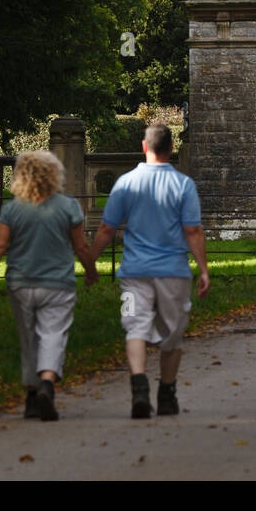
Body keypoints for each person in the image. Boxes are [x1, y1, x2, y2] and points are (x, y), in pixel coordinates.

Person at [87, 124, 209, 419]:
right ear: (170, 150)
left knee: (135, 327)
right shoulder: (183, 185)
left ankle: (139, 386)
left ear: (145, 147)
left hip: (134, 271)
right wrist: (203, 269)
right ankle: (167, 394)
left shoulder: (126, 183)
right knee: (172, 334)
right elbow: (192, 230)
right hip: (173, 272)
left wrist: (90, 262)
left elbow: (106, 228)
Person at [0, 150, 98, 421]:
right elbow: (81, 246)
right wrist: (91, 270)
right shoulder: (68, 206)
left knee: (29, 338)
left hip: (20, 283)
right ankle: (46, 383)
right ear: (54, 174)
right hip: (58, 284)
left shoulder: (12, 208)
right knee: (53, 334)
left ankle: (31, 398)